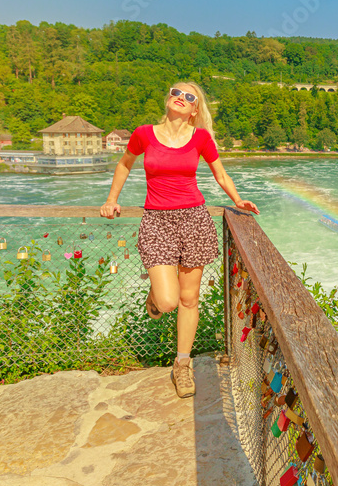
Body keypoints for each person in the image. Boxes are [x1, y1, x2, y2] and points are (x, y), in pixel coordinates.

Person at [100, 82, 259, 398]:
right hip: (157, 220)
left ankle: (182, 364)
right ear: (168, 98)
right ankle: (157, 291)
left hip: (195, 220)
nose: (181, 98)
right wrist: (112, 199)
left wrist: (238, 200)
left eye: (190, 97)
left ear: (195, 109)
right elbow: (124, 164)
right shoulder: (144, 133)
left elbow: (220, 174)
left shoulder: (201, 138)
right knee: (168, 301)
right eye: (176, 92)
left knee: (189, 299)